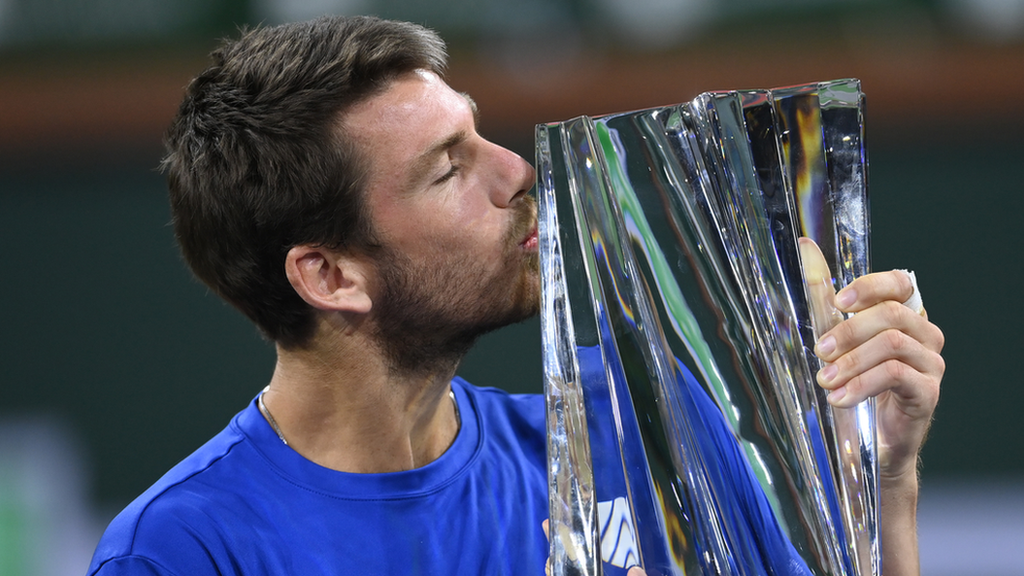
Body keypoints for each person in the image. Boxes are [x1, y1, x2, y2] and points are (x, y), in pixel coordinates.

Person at [86, 15, 945, 576]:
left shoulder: (637, 427)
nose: (516, 171)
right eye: (447, 169)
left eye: (478, 130)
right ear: (330, 276)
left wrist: (881, 479)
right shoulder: (182, 549)